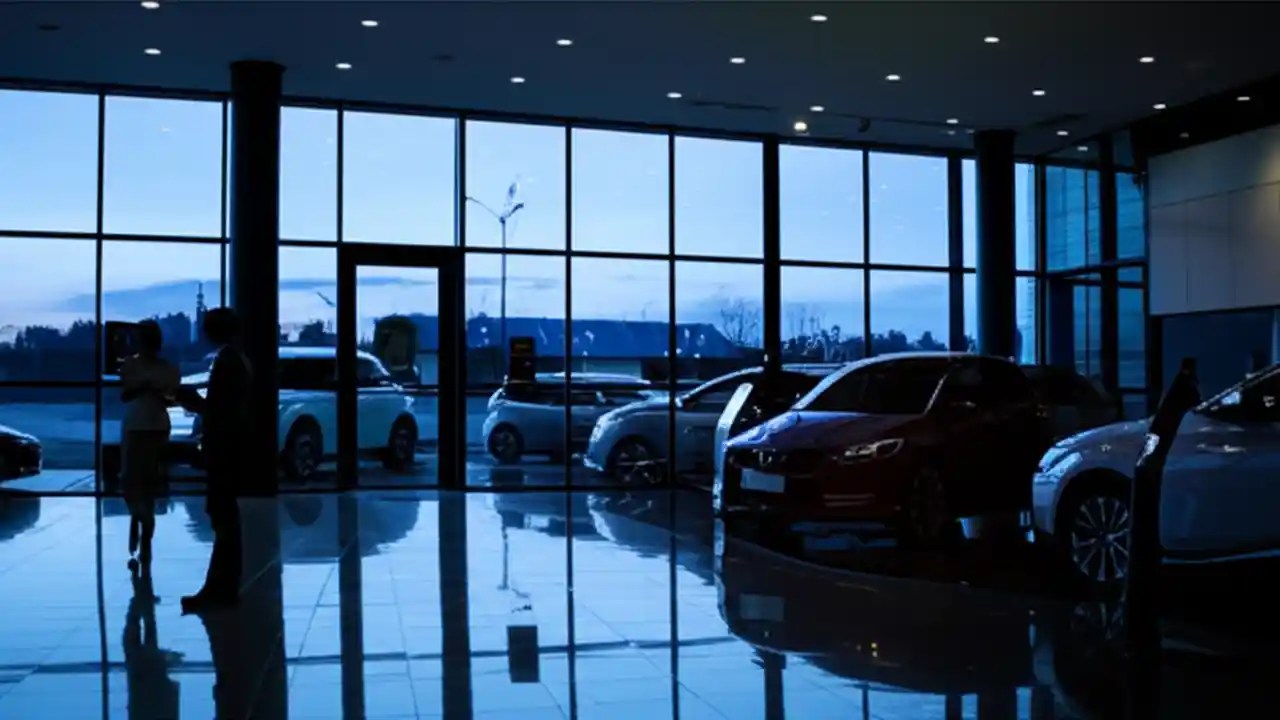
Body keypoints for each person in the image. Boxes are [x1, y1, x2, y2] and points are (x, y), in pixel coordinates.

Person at [181, 307, 253, 613]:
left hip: (223, 448)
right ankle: (222, 586)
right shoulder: (239, 359)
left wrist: (195, 403)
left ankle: (220, 587)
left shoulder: (227, 361)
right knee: (225, 516)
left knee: (222, 517)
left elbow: (221, 411)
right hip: (232, 447)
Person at [119, 319, 180, 570]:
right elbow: (126, 394)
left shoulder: (134, 366)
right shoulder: (159, 368)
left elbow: (171, 398)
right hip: (147, 425)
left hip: (147, 426)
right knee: (137, 482)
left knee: (142, 481)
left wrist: (147, 390)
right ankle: (141, 521)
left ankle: (143, 529)